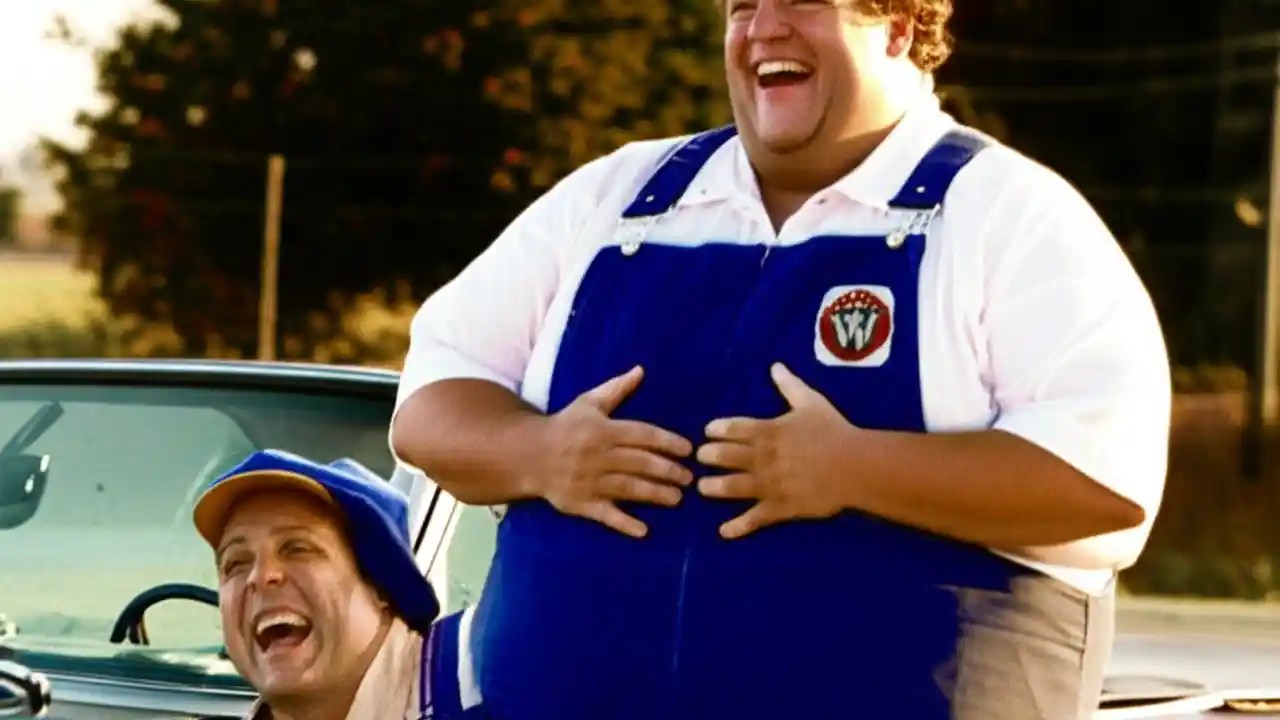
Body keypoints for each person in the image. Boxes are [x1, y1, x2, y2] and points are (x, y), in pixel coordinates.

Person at [390, 0, 1172, 718]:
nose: (763, 26)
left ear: (897, 24)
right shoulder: (613, 201)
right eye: (743, 7)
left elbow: (1106, 483)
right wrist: (543, 453)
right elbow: (429, 404)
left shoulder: (1009, 217)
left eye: (798, 1)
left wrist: (852, 470)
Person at [192, 449, 474, 720]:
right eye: (236, 563)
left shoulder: (476, 681)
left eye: (297, 548)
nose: (259, 576)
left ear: (378, 585)